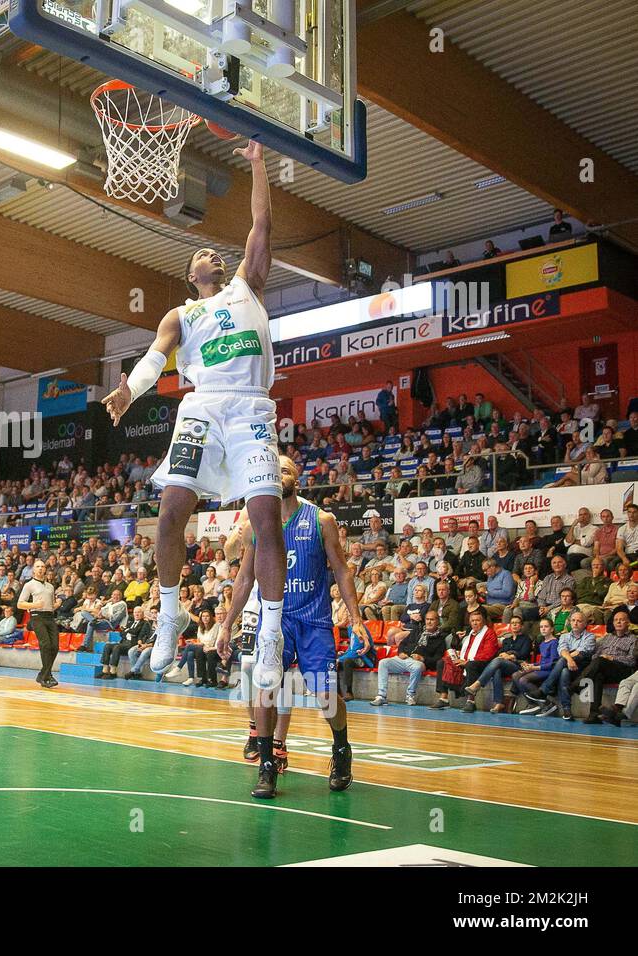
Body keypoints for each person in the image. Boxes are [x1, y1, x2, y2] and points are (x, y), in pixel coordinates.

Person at [100, 139, 285, 689]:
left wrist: (258, 164)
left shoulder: (247, 285)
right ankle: (169, 613)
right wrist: (129, 391)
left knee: (265, 519)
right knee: (172, 509)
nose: (213, 254)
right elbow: (156, 359)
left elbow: (262, 225)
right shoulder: (182, 313)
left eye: (215, 252)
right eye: (202, 254)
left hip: (251, 407)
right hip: (201, 407)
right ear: (190, 273)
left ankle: (270, 633)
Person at [221, 456, 362, 799]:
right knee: (265, 688)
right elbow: (244, 579)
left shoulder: (321, 519)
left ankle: (341, 749)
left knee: (326, 696)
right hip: (276, 620)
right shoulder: (257, 525)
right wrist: (226, 624)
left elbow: (342, 571)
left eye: (285, 470)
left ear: (297, 480)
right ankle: (267, 762)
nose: (278, 475)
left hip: (313, 620)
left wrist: (356, 618)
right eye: (274, 470)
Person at [522, 611, 595, 719]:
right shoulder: (564, 636)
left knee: (562, 661)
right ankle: (566, 709)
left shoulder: (590, 636)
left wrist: (567, 658)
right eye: (573, 620)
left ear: (585, 624)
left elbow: (581, 651)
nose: (575, 623)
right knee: (564, 671)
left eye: (579, 621)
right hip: (566, 666)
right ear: (569, 622)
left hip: (581, 668)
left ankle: (544, 691)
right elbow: (562, 650)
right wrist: (569, 659)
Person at [370, 609, 448, 706]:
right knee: (383, 663)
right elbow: (403, 643)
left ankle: (410, 695)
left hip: (418, 663)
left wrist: (423, 659)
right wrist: (401, 652)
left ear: (437, 622)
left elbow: (437, 659)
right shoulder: (417, 631)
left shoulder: (440, 639)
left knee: (417, 667)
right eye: (427, 619)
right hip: (404, 658)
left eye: (432, 620)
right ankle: (382, 696)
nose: (429, 622)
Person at [463, 614, 533, 712]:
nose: (514, 625)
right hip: (505, 665)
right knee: (497, 670)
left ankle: (478, 684)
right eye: (512, 623)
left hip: (518, 666)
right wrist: (503, 655)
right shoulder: (507, 640)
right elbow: (500, 653)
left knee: (497, 661)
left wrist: (510, 656)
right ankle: (499, 703)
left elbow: (524, 654)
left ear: (521, 626)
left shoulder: (526, 639)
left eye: (517, 623)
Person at [578, 609, 637, 724]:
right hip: (605, 668)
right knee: (598, 674)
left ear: (628, 623)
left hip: (622, 670)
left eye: (622, 620)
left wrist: (612, 658)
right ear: (613, 623)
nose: (618, 622)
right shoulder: (607, 637)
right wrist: (600, 659)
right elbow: (595, 654)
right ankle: (594, 714)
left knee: (601, 661)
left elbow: (631, 661)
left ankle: (578, 684)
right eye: (616, 620)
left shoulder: (633, 639)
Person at [18, 562, 59, 686]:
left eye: (42, 566)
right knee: (45, 644)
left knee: (55, 646)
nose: (40, 568)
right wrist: (35, 605)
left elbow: (51, 605)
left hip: (49, 617)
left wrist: (57, 604)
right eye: (38, 567)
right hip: (37, 616)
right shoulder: (29, 585)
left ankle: (43, 674)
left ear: (45, 570)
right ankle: (47, 677)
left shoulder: (50, 586)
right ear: (33, 571)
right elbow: (20, 604)